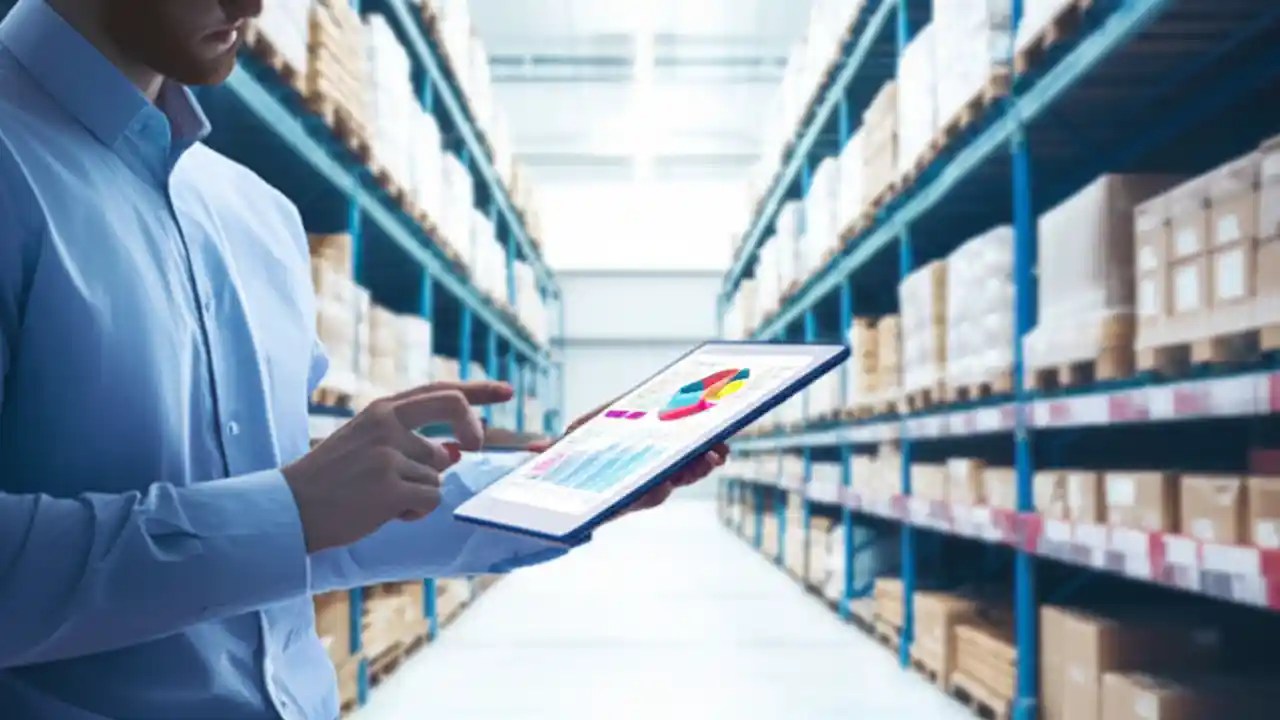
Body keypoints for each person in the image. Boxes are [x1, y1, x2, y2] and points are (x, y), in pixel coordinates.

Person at [0, 0, 728, 717]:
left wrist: (565, 480)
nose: (252, 5)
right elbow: (287, 515)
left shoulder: (253, 213)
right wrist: (288, 512)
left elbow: (309, 526)